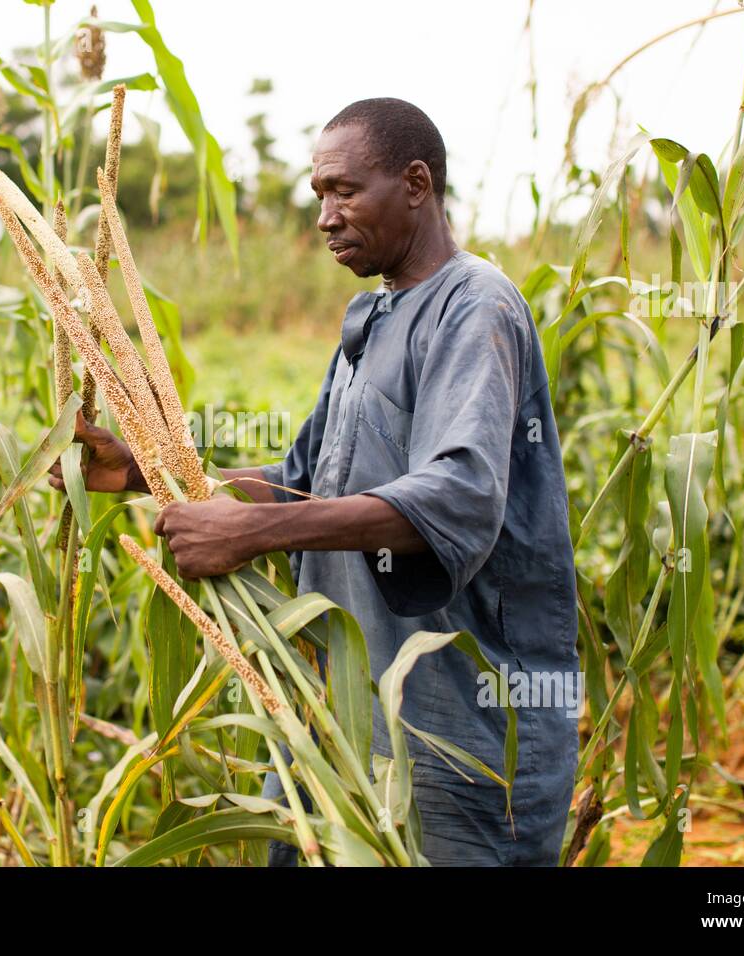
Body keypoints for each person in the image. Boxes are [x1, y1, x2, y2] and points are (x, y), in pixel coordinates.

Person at [50, 97, 579, 866]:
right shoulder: (371, 321)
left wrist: (251, 535)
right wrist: (138, 469)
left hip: (453, 721)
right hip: (349, 710)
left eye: (344, 191)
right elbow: (302, 485)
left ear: (416, 184)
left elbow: (459, 496)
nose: (325, 216)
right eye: (318, 196)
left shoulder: (475, 305)